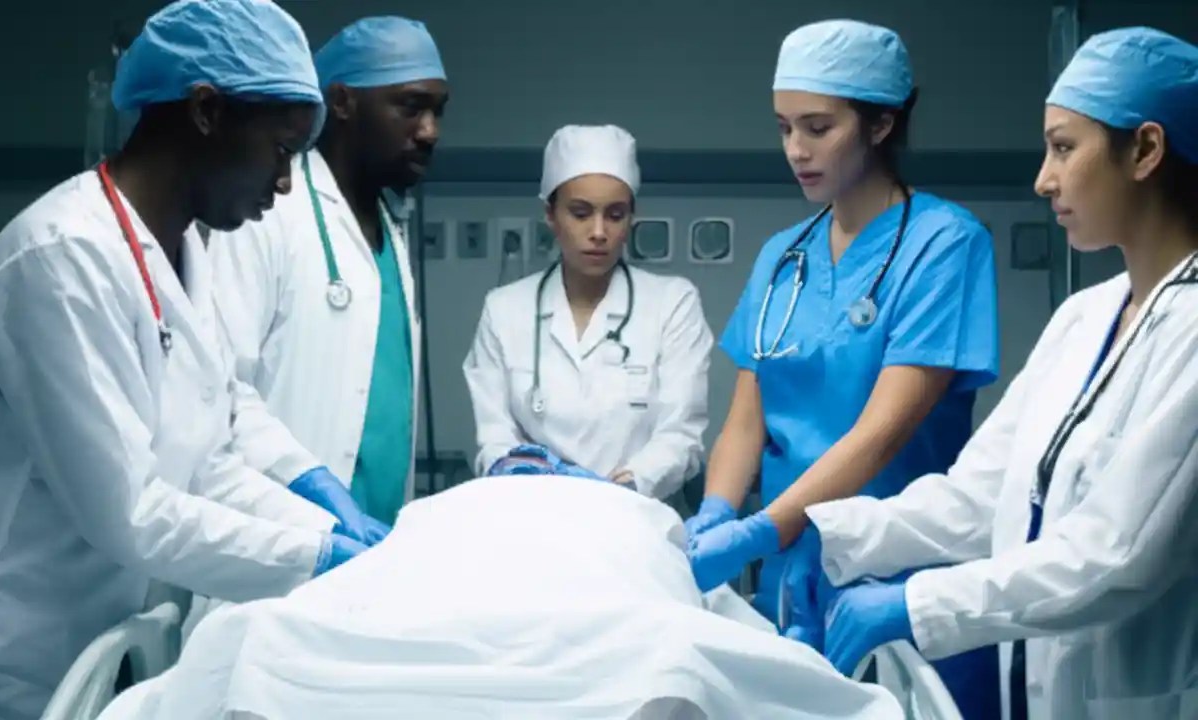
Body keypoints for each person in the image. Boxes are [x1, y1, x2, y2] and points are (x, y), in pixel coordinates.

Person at [0, 3, 375, 718]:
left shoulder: (187, 251)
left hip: (95, 624)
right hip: (0, 632)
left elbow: (211, 459)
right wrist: (316, 562)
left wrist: (330, 534)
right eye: (280, 149)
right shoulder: (62, 259)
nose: (285, 183)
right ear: (204, 112)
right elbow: (130, 511)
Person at [786, 26, 1198, 720]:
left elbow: (1113, 557)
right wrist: (836, 536)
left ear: (1146, 150)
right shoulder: (1084, 317)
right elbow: (981, 497)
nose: (1043, 178)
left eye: (1064, 148)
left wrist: (914, 605)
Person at [683, 19, 1001, 718]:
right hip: (790, 581)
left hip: (900, 582)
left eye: (817, 127)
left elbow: (882, 433)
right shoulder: (783, 256)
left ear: (881, 123)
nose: (795, 150)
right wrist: (715, 512)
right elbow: (746, 418)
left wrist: (764, 527)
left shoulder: (944, 246)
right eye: (783, 127)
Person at [95, 473, 904, 720]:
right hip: (461, 598)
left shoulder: (631, 518)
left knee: (665, 642)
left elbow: (673, 591)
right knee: (264, 630)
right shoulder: (440, 510)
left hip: (614, 598)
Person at [209, 16, 450, 528]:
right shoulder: (267, 213)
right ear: (342, 102)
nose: (431, 132)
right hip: (282, 532)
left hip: (376, 544)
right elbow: (220, 391)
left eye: (438, 111)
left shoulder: (389, 230)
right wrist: (303, 479)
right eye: (411, 106)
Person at [462, 125, 713, 500]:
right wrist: (529, 480)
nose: (599, 232)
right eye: (580, 213)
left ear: (631, 218)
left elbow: (680, 436)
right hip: (534, 515)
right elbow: (494, 438)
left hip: (635, 516)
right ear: (551, 215)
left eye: (615, 214)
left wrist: (619, 489)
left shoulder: (672, 303)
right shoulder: (504, 309)